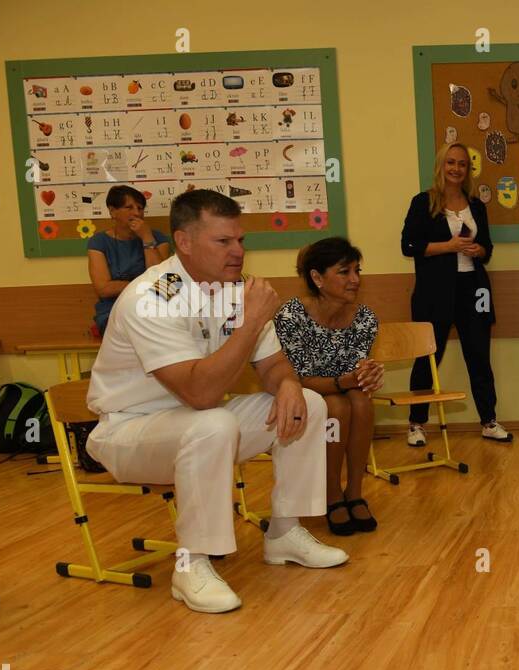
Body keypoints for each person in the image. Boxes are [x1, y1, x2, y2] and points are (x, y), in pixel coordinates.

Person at [86, 190, 348, 614]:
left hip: (195, 422)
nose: (238, 252)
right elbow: (201, 394)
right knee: (213, 423)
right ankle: (191, 565)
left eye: (240, 241)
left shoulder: (234, 289)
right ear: (184, 242)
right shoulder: (150, 297)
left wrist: (287, 385)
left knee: (311, 404)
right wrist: (251, 322)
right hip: (129, 431)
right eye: (223, 242)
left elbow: (275, 364)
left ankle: (283, 533)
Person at [401, 142, 511, 447]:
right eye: (451, 162)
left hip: (474, 289)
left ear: (468, 170)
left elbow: (487, 249)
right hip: (434, 291)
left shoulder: (477, 206)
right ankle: (416, 424)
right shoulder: (423, 202)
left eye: (462, 164)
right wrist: (447, 247)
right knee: (427, 358)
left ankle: (489, 420)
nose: (456, 169)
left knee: (479, 356)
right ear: (441, 166)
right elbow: (408, 245)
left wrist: (479, 249)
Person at [274, 237, 384, 535]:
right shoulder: (291, 316)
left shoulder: (365, 319)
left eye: (357, 271)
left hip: (346, 388)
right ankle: (332, 493)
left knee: (361, 401)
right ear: (317, 278)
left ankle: (355, 491)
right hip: (303, 392)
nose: (355, 280)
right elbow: (293, 378)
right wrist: (343, 381)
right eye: (344, 272)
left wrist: (368, 373)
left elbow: (357, 369)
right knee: (334, 406)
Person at [86, 185, 170, 336]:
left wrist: (147, 238)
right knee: (138, 330)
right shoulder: (98, 242)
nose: (137, 213)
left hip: (153, 307)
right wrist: (145, 285)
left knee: (165, 327)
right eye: (129, 207)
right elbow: (103, 289)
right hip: (113, 310)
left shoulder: (158, 239)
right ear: (112, 211)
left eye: (140, 208)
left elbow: (162, 284)